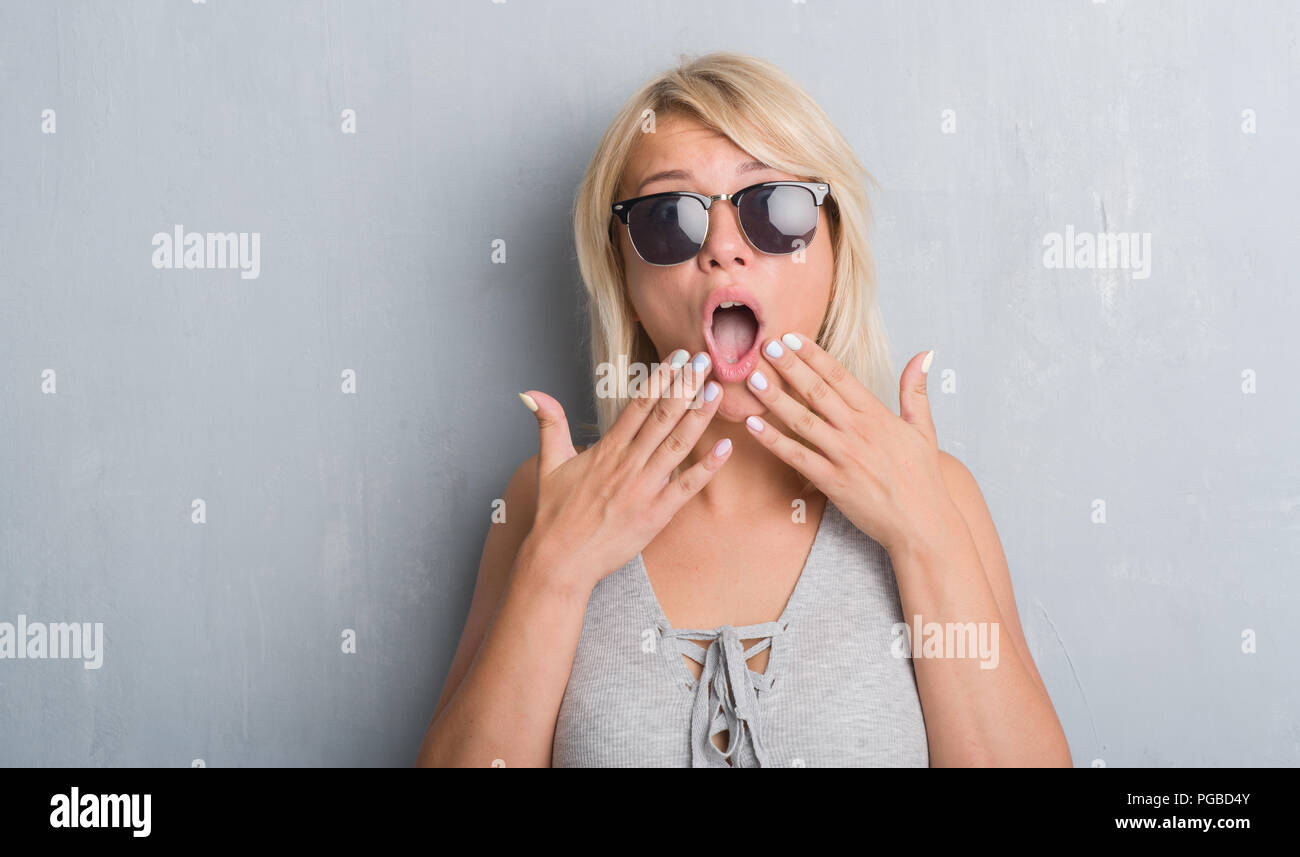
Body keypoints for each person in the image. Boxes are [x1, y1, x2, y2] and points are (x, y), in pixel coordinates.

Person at [416, 51, 1071, 767]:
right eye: (670, 218)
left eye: (775, 206)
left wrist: (927, 538)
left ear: (835, 247)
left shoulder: (940, 495)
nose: (724, 248)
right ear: (625, 268)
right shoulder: (544, 502)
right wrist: (555, 569)